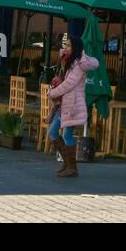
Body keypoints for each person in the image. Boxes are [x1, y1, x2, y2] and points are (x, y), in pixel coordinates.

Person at [47, 33, 100, 178]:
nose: (66, 48)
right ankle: (67, 163)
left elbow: (69, 84)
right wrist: (63, 56)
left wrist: (52, 93)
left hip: (73, 105)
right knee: (52, 132)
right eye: (66, 45)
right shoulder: (68, 61)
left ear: (76, 48)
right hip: (64, 104)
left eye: (69, 46)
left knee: (66, 134)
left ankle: (72, 167)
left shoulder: (78, 64)